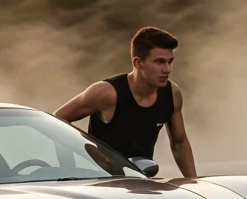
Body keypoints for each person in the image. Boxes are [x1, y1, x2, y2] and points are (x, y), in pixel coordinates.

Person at [54, 26, 197, 177]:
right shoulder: (107, 93)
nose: (167, 69)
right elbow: (57, 121)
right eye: (159, 62)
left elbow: (179, 142)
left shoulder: (172, 93)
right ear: (137, 63)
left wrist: (193, 181)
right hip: (99, 183)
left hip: (141, 180)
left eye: (170, 62)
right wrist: (69, 169)